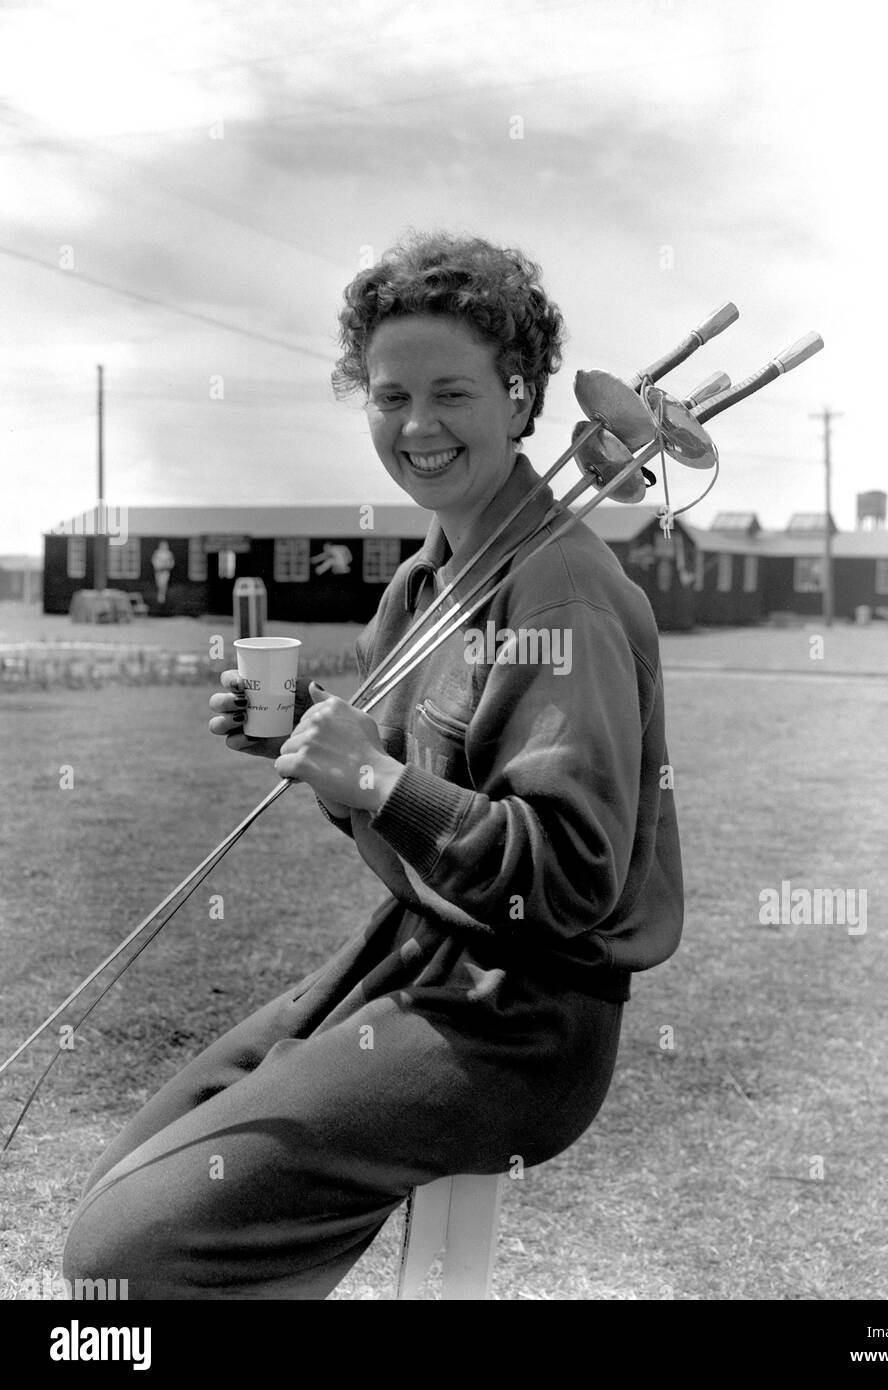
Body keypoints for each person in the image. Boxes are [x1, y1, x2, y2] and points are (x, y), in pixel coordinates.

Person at [62, 231, 684, 1299]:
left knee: (124, 1261)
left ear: (521, 394)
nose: (418, 426)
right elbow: (396, 810)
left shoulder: (563, 591)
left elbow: (573, 880)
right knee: (116, 1191)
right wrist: (306, 739)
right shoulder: (421, 586)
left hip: (522, 1018)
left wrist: (381, 782)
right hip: (410, 960)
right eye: (390, 396)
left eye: (452, 393)